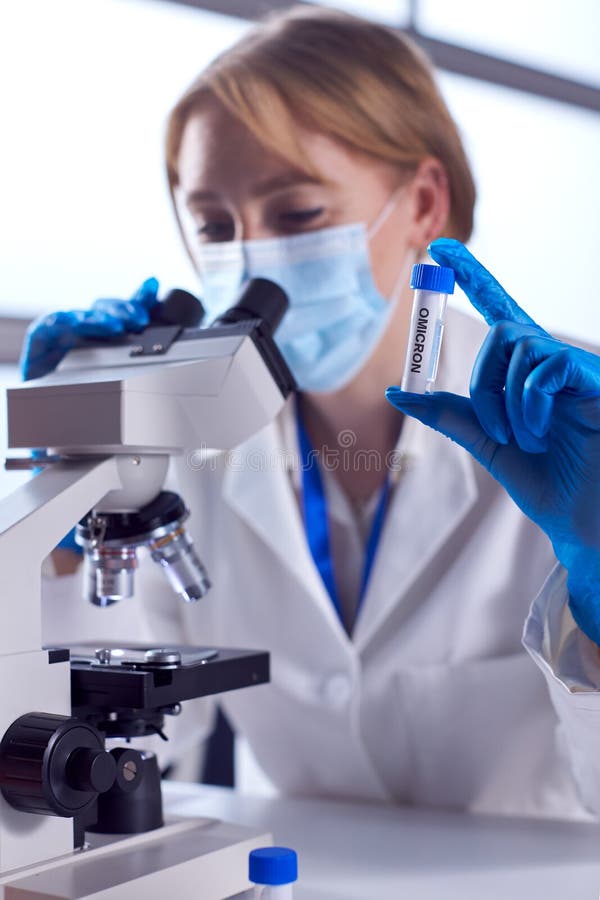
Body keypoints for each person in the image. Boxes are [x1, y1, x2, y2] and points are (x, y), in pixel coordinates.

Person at [27, 7, 599, 818]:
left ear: (423, 204)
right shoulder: (194, 437)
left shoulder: (574, 419)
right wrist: (64, 504)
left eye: (297, 215)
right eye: (215, 226)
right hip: (298, 866)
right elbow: (112, 745)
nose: (250, 259)